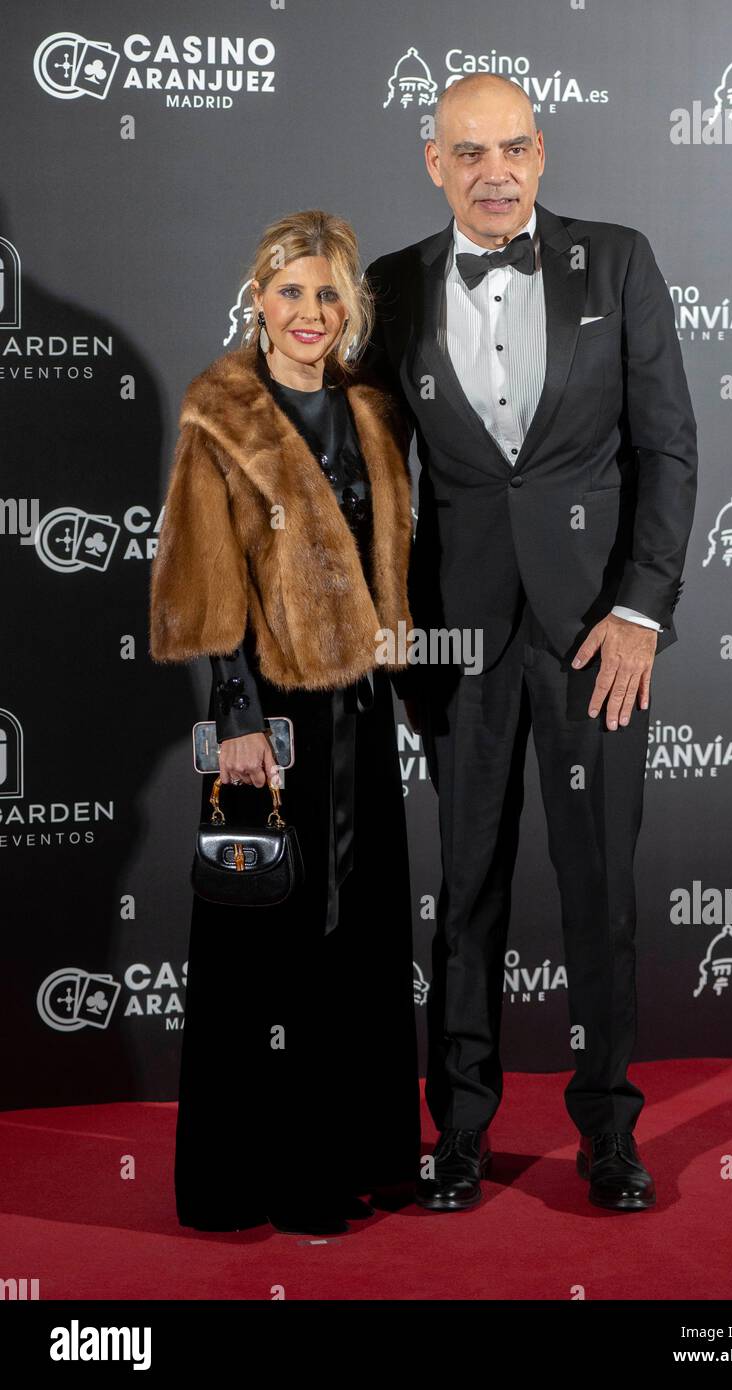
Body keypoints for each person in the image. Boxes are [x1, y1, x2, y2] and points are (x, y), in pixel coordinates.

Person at [363, 74, 698, 1213]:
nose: (494, 172)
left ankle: (609, 1132)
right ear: (434, 162)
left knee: (600, 891)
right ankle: (459, 1131)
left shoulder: (617, 261)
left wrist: (641, 612)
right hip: (457, 641)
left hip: (598, 636)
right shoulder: (393, 286)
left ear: (541, 152)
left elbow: (667, 447)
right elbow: (372, 475)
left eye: (512, 148)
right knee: (465, 891)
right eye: (469, 153)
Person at [149, 209, 420, 1236]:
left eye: (328, 293)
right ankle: (258, 1176)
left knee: (358, 935)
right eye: (291, 290)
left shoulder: (371, 409)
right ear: (258, 296)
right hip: (272, 714)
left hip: (363, 707)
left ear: (350, 306)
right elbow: (202, 573)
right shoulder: (222, 410)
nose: (311, 311)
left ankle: (358, 1155)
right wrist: (237, 717)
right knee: (269, 938)